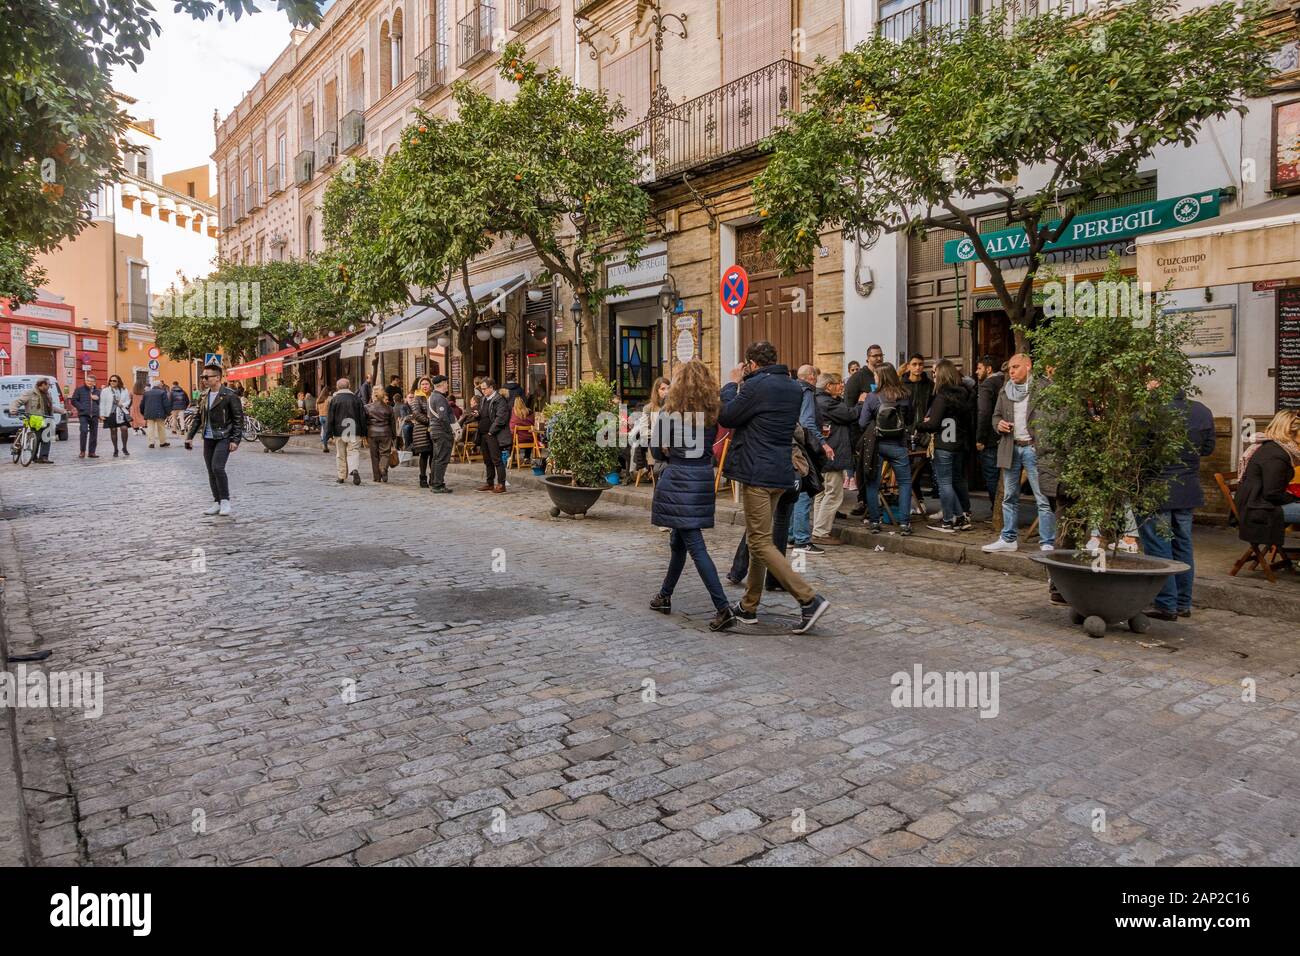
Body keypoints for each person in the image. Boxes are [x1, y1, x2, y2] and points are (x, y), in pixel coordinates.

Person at [718, 340, 829, 635]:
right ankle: (749, 605)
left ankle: (808, 599)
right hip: (782, 470)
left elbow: (727, 416)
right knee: (760, 541)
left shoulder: (755, 386)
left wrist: (732, 385)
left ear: (752, 364)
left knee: (759, 543)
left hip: (757, 473)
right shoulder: (793, 387)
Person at [648, 359, 735, 632]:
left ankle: (723, 607)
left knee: (696, 546)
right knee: (679, 542)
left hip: (678, 480)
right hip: (701, 478)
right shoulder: (712, 413)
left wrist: (668, 449)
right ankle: (664, 595)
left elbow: (654, 451)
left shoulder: (668, 412)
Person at [1137, 392, 1215, 621]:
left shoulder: (1149, 411)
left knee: (1159, 547)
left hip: (1157, 487)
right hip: (1188, 486)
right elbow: (1208, 449)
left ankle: (1166, 604)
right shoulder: (1202, 410)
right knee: (1183, 546)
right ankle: (1182, 603)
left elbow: (1138, 450)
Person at [982, 353, 1056, 553]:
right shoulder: (1006, 390)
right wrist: (1000, 425)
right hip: (1010, 447)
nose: (1011, 371)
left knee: (1042, 497)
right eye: (1010, 369)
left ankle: (1047, 541)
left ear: (1028, 366)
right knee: (1009, 496)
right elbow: (995, 416)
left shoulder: (1043, 388)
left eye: (1015, 367)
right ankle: (1008, 538)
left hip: (1034, 447)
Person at [1234, 408, 1300, 568]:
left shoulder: (1277, 448)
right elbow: (1272, 493)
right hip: (1258, 508)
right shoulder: (1276, 455)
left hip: (1260, 502)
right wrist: (1296, 499)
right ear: (1291, 433)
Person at [916, 359, 973, 533]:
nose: (933, 376)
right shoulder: (965, 393)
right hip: (959, 445)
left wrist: (919, 424)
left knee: (945, 484)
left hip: (944, 445)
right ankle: (961, 517)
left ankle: (948, 521)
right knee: (955, 481)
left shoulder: (942, 396)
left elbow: (933, 424)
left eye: (935, 373)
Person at [860, 363, 915, 535]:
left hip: (877, 445)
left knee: (872, 483)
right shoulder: (905, 395)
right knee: (905, 483)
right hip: (898, 444)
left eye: (876, 376)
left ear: (881, 377)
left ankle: (875, 521)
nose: (874, 378)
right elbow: (911, 418)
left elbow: (862, 423)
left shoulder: (872, 397)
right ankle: (905, 524)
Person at [184, 364, 243, 516]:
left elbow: (238, 420)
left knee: (218, 467)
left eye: (206, 377)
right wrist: (189, 436)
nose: (203, 379)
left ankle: (225, 501)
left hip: (224, 436)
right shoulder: (203, 395)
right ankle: (216, 502)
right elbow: (198, 418)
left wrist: (235, 440)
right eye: (202, 377)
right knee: (211, 470)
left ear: (217, 377)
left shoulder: (230, 395)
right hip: (208, 438)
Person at [789, 365, 828, 555]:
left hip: (790, 445)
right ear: (812, 377)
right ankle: (802, 539)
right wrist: (823, 444)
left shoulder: (792, 389)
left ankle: (791, 536)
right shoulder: (807, 392)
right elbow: (807, 422)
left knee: (795, 490)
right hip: (802, 446)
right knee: (804, 491)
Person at [812, 372, 854, 545]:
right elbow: (850, 414)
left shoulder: (819, 400)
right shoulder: (828, 403)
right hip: (832, 454)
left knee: (821, 494)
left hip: (822, 454)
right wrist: (861, 403)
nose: (842, 385)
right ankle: (821, 532)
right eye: (839, 383)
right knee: (834, 494)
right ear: (829, 386)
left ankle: (817, 528)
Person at [846, 343, 886, 516]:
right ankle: (863, 500)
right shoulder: (858, 378)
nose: (878, 358)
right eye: (874, 356)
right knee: (863, 466)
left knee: (876, 466)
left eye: (880, 355)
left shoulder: (884, 374)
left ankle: (877, 499)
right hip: (861, 430)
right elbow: (848, 404)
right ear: (867, 358)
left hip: (882, 428)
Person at [974, 355, 1005, 501]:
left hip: (991, 439)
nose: (976, 372)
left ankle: (996, 511)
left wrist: (980, 438)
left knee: (992, 475)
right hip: (1005, 436)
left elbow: (984, 412)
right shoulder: (1005, 382)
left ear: (989, 369)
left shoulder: (987, 385)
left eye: (979, 368)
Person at [327, 377, 367, 486]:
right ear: (349, 386)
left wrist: (328, 434)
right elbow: (362, 417)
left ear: (337, 387)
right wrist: (364, 433)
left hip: (339, 431)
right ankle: (354, 469)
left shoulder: (334, 400)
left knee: (340, 454)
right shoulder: (356, 399)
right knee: (353, 451)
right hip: (354, 430)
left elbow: (330, 418)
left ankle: (341, 476)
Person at [9, 378, 57, 463]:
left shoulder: (48, 394)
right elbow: (17, 402)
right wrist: (13, 409)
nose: (49, 386)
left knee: (47, 438)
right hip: (36, 419)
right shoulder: (30, 393)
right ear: (42, 384)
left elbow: (51, 407)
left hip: (48, 418)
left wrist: (62, 411)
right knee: (36, 438)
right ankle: (34, 457)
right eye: (48, 384)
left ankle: (43, 457)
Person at [476, 377, 511, 494]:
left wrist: (491, 431)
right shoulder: (483, 399)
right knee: (487, 460)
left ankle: (501, 484)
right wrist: (477, 414)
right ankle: (489, 483)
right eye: (481, 389)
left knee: (496, 459)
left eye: (484, 389)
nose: (483, 391)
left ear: (491, 388)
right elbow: (484, 413)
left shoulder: (499, 400)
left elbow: (501, 418)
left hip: (493, 434)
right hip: (483, 434)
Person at [426, 375, 455, 493]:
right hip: (441, 431)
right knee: (442, 458)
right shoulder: (439, 398)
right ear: (442, 384)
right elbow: (443, 417)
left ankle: (434, 482)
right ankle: (438, 484)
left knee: (436, 458)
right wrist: (449, 430)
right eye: (446, 383)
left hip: (435, 430)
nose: (447, 385)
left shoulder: (432, 397)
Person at [364, 390, 397, 483]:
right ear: (383, 396)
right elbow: (392, 423)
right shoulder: (389, 408)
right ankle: (383, 468)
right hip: (385, 432)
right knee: (385, 453)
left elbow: (364, 422)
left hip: (372, 433)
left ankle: (376, 477)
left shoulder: (367, 408)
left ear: (373, 395)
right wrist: (394, 435)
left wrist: (364, 434)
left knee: (374, 455)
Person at [99, 374, 133, 457]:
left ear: (118, 382)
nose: (112, 382)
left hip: (121, 412)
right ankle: (115, 449)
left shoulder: (124, 390)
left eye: (114, 381)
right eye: (111, 380)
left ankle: (124, 447)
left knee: (124, 429)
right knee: (113, 430)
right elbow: (102, 403)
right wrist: (102, 414)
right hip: (111, 413)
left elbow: (128, 401)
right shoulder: (105, 391)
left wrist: (123, 404)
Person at [71, 373, 101, 459]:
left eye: (91, 381)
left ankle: (92, 452)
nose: (89, 382)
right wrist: (81, 407)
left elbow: (101, 403)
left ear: (94, 383)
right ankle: (82, 451)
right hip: (83, 414)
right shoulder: (79, 389)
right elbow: (73, 400)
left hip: (94, 415)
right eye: (88, 380)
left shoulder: (98, 391)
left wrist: (97, 399)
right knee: (83, 431)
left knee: (94, 434)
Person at [141, 380, 172, 448]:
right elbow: (166, 404)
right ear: (159, 385)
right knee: (161, 428)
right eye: (161, 385)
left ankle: (151, 443)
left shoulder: (146, 393)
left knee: (150, 428)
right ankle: (162, 442)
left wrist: (143, 412)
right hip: (160, 413)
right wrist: (168, 412)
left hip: (149, 413)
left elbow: (142, 404)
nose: (161, 386)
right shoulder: (162, 392)